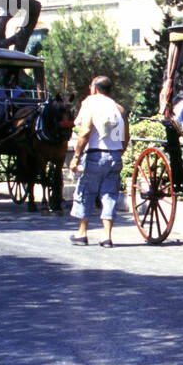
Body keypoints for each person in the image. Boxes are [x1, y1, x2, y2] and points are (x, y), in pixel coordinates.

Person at [69, 75, 128, 247]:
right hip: (115, 155)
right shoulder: (119, 109)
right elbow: (125, 137)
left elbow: (85, 132)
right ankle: (107, 236)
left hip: (96, 154)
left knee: (86, 191)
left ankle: (82, 233)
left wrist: (76, 156)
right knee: (109, 195)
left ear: (94, 89)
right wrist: (117, 154)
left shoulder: (91, 104)